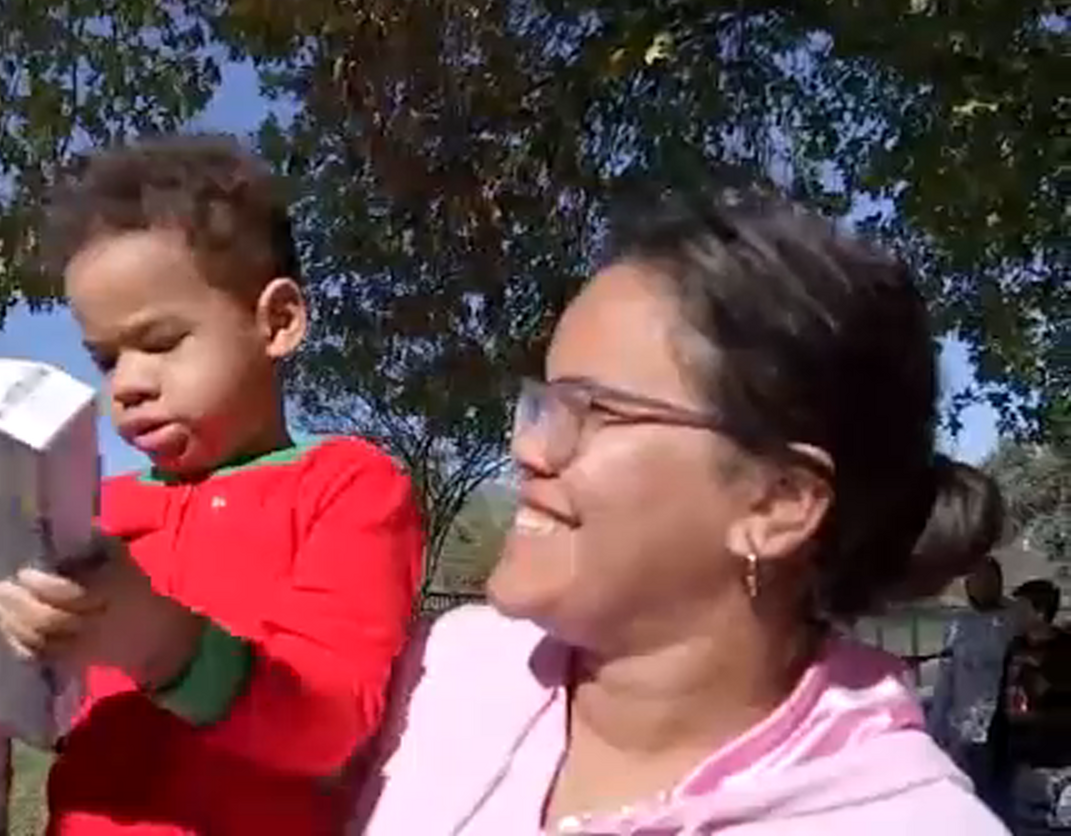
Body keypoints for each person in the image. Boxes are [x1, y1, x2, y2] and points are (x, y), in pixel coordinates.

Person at [351, 189, 1009, 834]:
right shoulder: (440, 673)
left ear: (777, 503)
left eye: (591, 410)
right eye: (543, 403)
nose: (526, 447)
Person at [0, 135, 425, 835]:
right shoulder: (102, 510)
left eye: (160, 342)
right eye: (105, 359)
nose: (126, 385)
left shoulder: (347, 487)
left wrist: (163, 646)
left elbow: (332, 722)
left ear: (277, 322)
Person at [925, 555, 1017, 809]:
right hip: (964, 729)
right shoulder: (957, 624)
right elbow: (946, 678)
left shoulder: (1014, 620)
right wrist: (935, 729)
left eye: (989, 579)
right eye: (975, 579)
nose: (982, 585)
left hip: (1005, 731)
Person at [991, 579, 1071, 834]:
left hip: (1057, 765)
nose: (1014, 614)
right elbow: (1003, 700)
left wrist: (1049, 687)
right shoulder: (1015, 647)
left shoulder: (1065, 650)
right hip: (1019, 760)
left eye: (1021, 608)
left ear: (1040, 612)